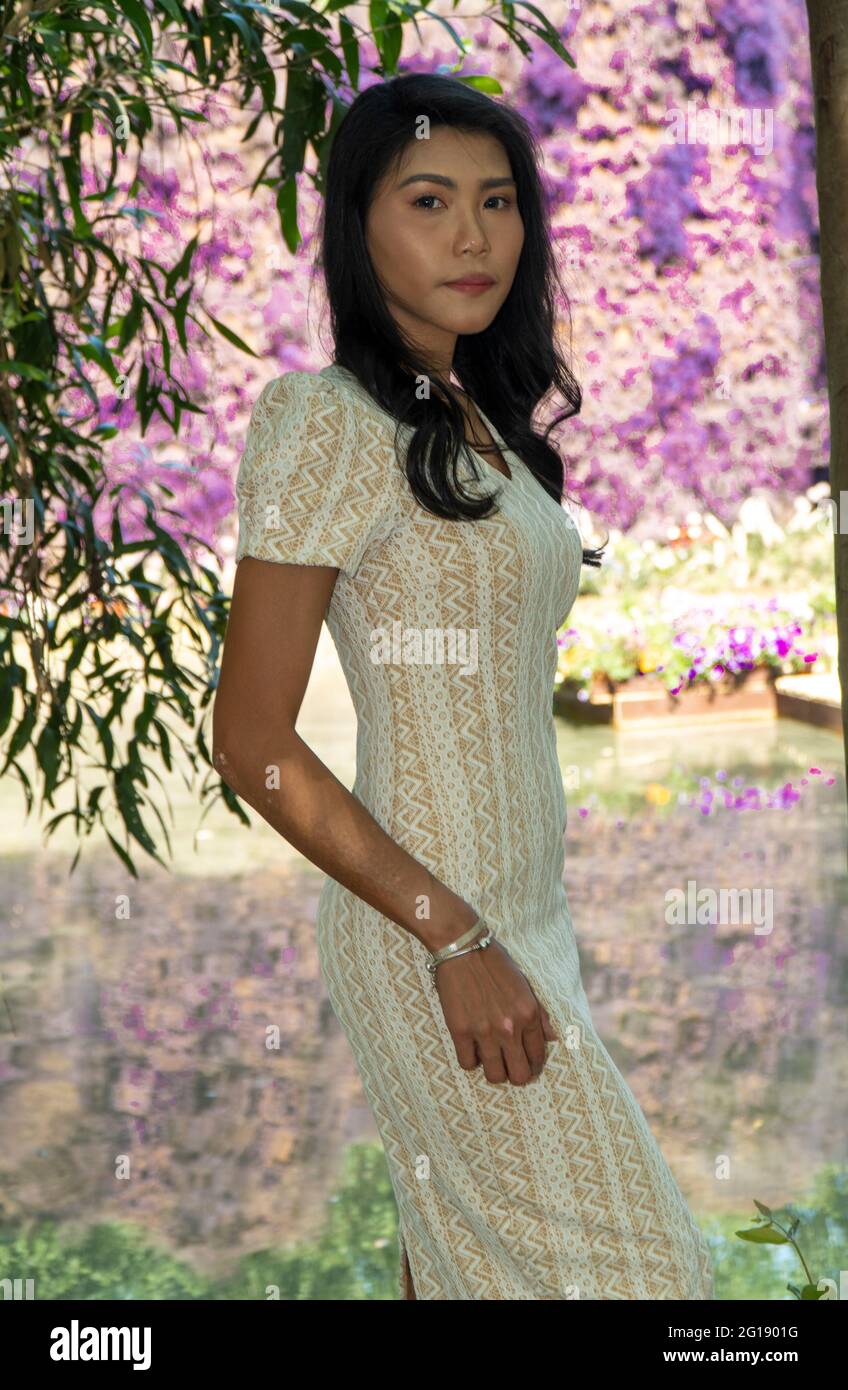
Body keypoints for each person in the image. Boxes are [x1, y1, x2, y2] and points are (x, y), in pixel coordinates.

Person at [213, 73, 714, 1301]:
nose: (474, 235)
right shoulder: (322, 420)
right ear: (356, 224)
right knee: (655, 1286)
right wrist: (452, 933)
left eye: (497, 202)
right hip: (435, 931)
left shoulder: (477, 418)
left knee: (473, 1273)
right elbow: (251, 741)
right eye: (428, 200)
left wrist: (500, 931)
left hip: (526, 921)